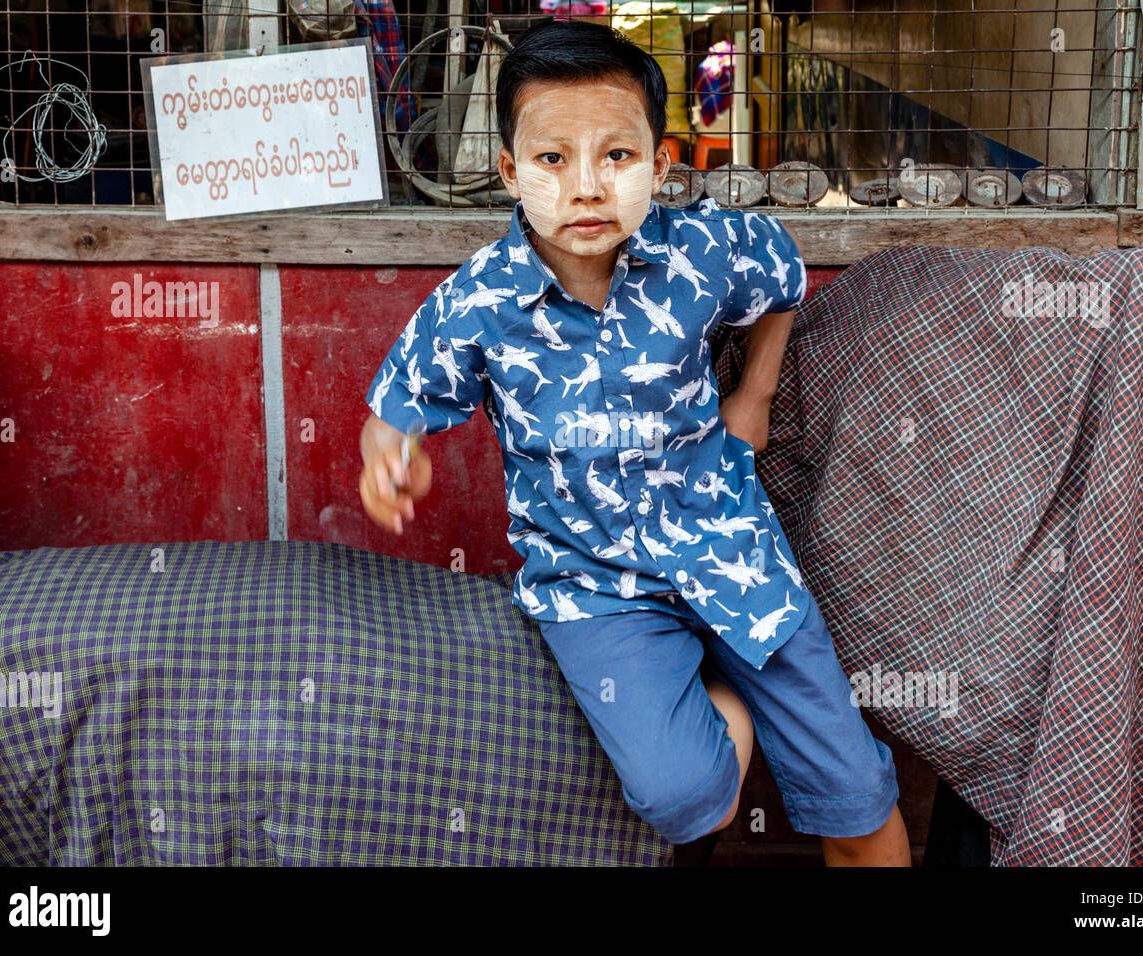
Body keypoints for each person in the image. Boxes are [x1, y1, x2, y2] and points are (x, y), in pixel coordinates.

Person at [357, 18, 909, 865]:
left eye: (616, 156)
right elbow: (398, 405)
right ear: (508, 170)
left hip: (731, 548)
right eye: (552, 159)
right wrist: (388, 455)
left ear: (659, 163)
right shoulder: (478, 301)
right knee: (685, 796)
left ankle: (749, 694)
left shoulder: (703, 252)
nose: (586, 187)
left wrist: (752, 395)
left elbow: (784, 272)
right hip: (594, 584)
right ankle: (720, 708)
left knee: (858, 804)